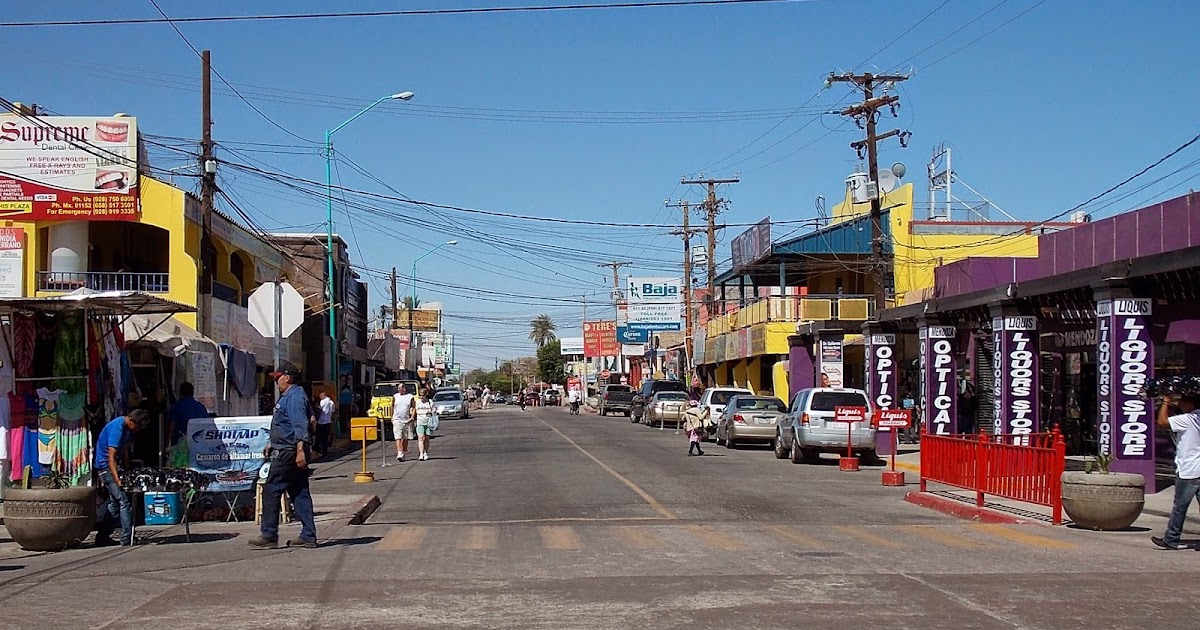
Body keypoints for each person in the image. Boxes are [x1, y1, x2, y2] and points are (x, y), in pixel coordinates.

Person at [249, 367, 317, 550]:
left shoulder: (294, 397)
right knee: (299, 491)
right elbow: (287, 425)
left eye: (277, 378)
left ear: (286, 378)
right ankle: (308, 535)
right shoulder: (293, 395)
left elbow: (301, 423)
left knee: (271, 488)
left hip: (290, 451)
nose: (275, 381)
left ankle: (269, 535)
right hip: (288, 448)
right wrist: (273, 443)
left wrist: (300, 450)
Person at [94, 409, 151, 546]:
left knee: (114, 503)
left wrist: (127, 469)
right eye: (136, 426)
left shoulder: (126, 430)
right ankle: (127, 537)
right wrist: (117, 479)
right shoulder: (117, 428)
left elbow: (124, 450)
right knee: (124, 501)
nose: (137, 430)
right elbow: (111, 457)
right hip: (106, 468)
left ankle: (102, 536)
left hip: (115, 468)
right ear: (131, 421)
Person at [1152, 393, 1200, 550]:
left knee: (1180, 506)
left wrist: (1166, 402)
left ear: (1190, 404)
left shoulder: (1188, 419)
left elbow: (1162, 422)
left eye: (1183, 402)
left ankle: (1171, 538)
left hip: (1189, 469)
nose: (1180, 405)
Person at [166, 382, 208, 447]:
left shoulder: (176, 407)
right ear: (193, 393)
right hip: (198, 445)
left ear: (180, 393)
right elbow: (206, 426)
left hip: (180, 446)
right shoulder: (201, 407)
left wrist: (165, 445)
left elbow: (171, 428)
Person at [392, 385, 417, 462]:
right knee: (398, 437)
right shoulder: (395, 396)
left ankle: (403, 451)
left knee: (405, 438)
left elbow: (414, 407)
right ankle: (399, 452)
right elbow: (392, 406)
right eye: (399, 388)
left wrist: (412, 417)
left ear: (405, 389)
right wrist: (391, 417)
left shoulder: (410, 397)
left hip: (406, 420)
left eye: (402, 388)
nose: (400, 390)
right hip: (397, 420)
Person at [414, 387, 438, 461]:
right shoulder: (417, 402)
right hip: (420, 422)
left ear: (426, 395)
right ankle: (421, 454)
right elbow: (414, 410)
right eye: (420, 395)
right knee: (421, 438)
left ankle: (425, 452)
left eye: (423, 395)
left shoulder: (430, 402)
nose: (421, 397)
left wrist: (431, 411)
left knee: (427, 438)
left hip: (428, 422)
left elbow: (434, 410)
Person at [315, 392, 335, 458]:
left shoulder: (323, 401)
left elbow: (319, 409)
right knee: (325, 438)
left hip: (321, 422)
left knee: (319, 437)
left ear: (323, 396)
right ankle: (325, 452)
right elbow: (332, 412)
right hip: (328, 422)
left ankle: (318, 449)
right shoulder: (332, 403)